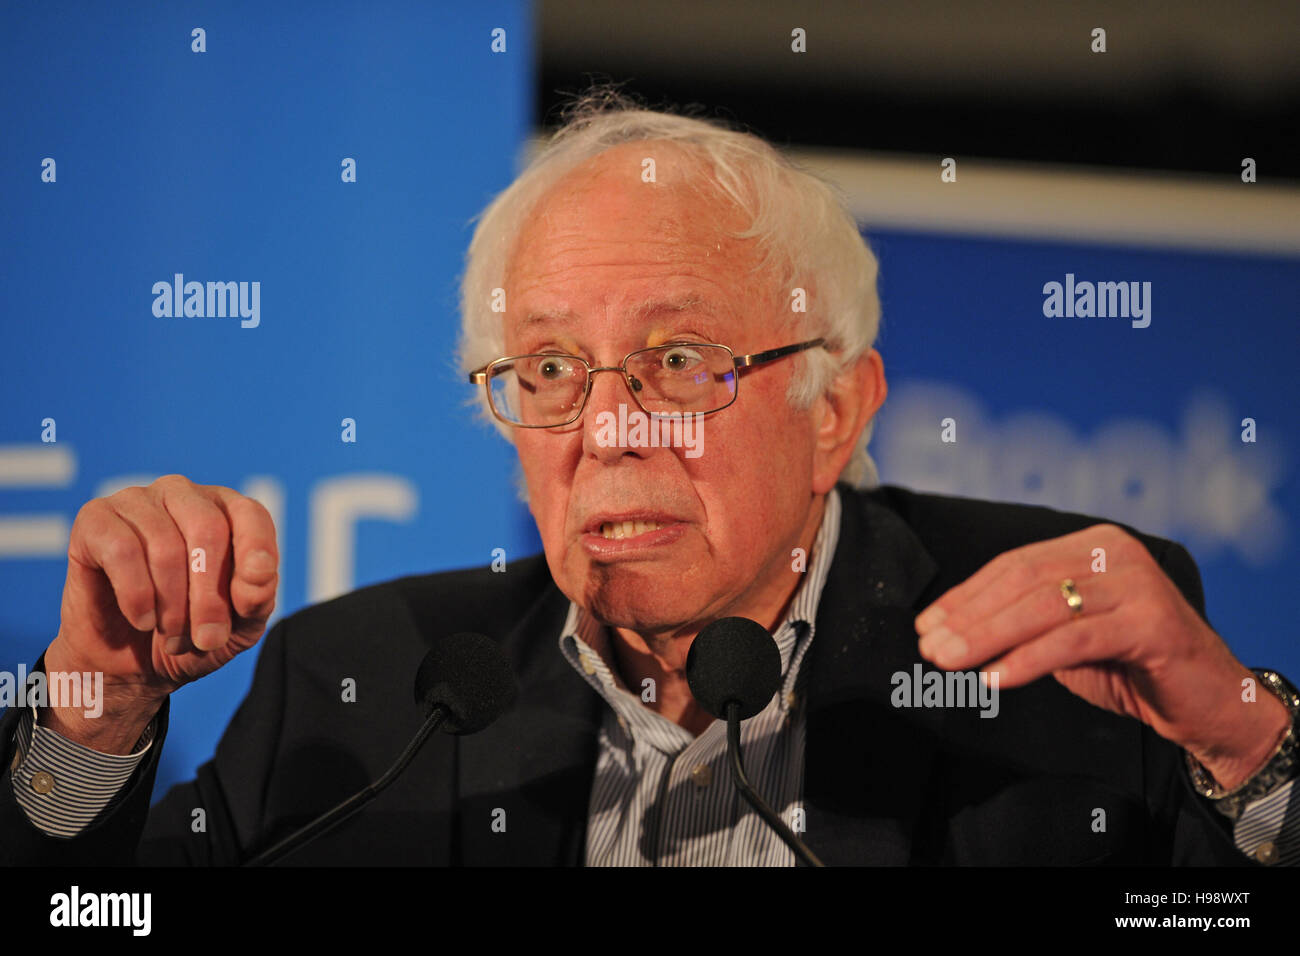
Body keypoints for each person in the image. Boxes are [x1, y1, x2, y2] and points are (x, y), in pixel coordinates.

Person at [3, 94, 1296, 866]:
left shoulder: (1052, 651)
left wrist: (1246, 741)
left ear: (834, 409)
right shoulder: (366, 686)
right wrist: (95, 711)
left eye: (678, 362)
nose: (611, 430)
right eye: (552, 368)